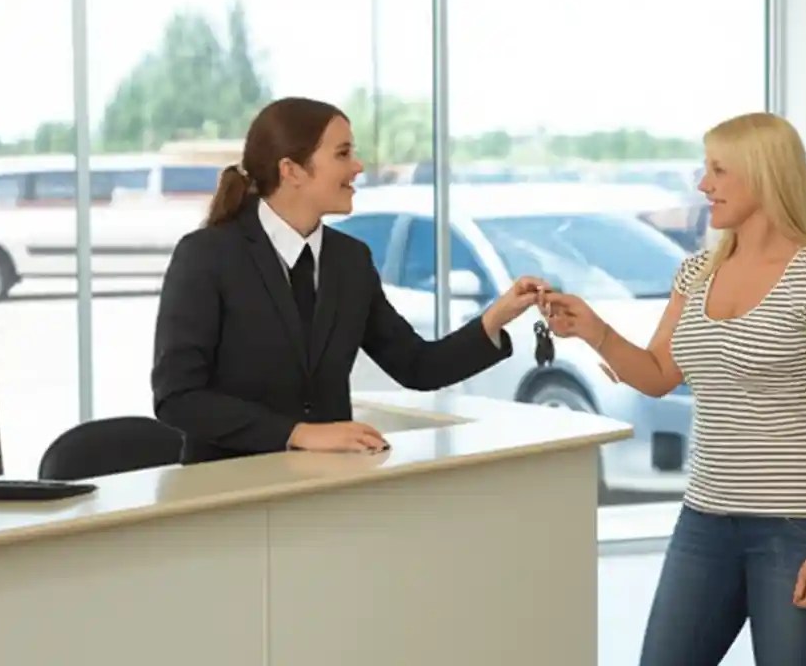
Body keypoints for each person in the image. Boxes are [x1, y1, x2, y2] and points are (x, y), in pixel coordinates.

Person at [544, 112, 806, 665]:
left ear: (762, 175)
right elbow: (657, 373)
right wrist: (593, 330)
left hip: (795, 528)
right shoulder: (696, 273)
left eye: (718, 170)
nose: (703, 185)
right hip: (705, 521)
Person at [151, 96, 546, 464]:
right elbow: (179, 397)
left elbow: (417, 366)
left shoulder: (350, 261)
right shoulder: (207, 255)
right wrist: (297, 433)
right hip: (227, 495)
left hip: (330, 492)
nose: (358, 166)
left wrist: (496, 318)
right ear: (291, 171)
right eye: (343, 153)